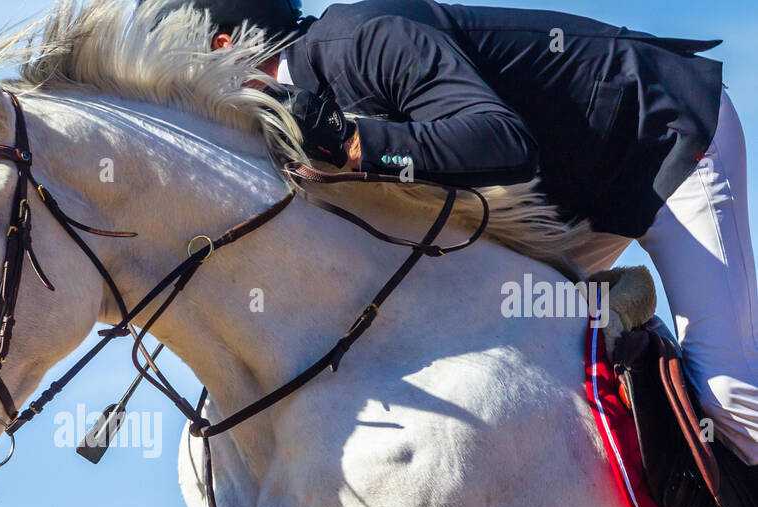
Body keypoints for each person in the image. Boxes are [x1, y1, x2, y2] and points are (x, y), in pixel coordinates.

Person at [154, 0, 758, 479]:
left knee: (727, 396)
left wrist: (357, 144)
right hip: (572, 196)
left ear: (223, 49)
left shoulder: (362, 38)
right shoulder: (290, 125)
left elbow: (503, 143)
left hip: (664, 137)